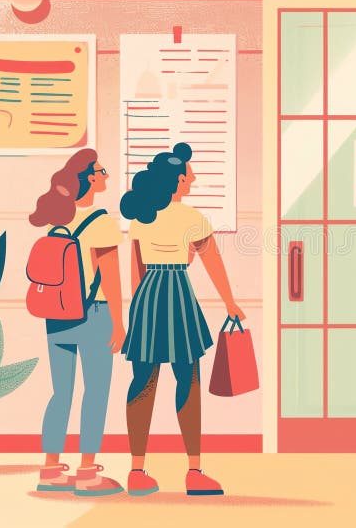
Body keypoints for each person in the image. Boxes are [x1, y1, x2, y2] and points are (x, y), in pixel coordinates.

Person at [120, 142, 245, 497]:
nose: (193, 179)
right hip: (176, 292)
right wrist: (230, 302)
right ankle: (194, 471)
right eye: (189, 174)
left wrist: (136, 309)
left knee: (142, 380)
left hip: (147, 296)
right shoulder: (191, 217)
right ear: (177, 179)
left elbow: (137, 268)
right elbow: (213, 262)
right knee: (187, 379)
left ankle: (136, 470)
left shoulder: (141, 215)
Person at [29, 149, 126, 496]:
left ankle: (50, 469)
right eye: (101, 170)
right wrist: (119, 322)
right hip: (93, 314)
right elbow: (111, 278)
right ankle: (87, 473)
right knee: (96, 393)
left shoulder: (59, 220)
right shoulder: (101, 223)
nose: (106, 176)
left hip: (56, 315)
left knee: (61, 393)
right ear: (88, 178)